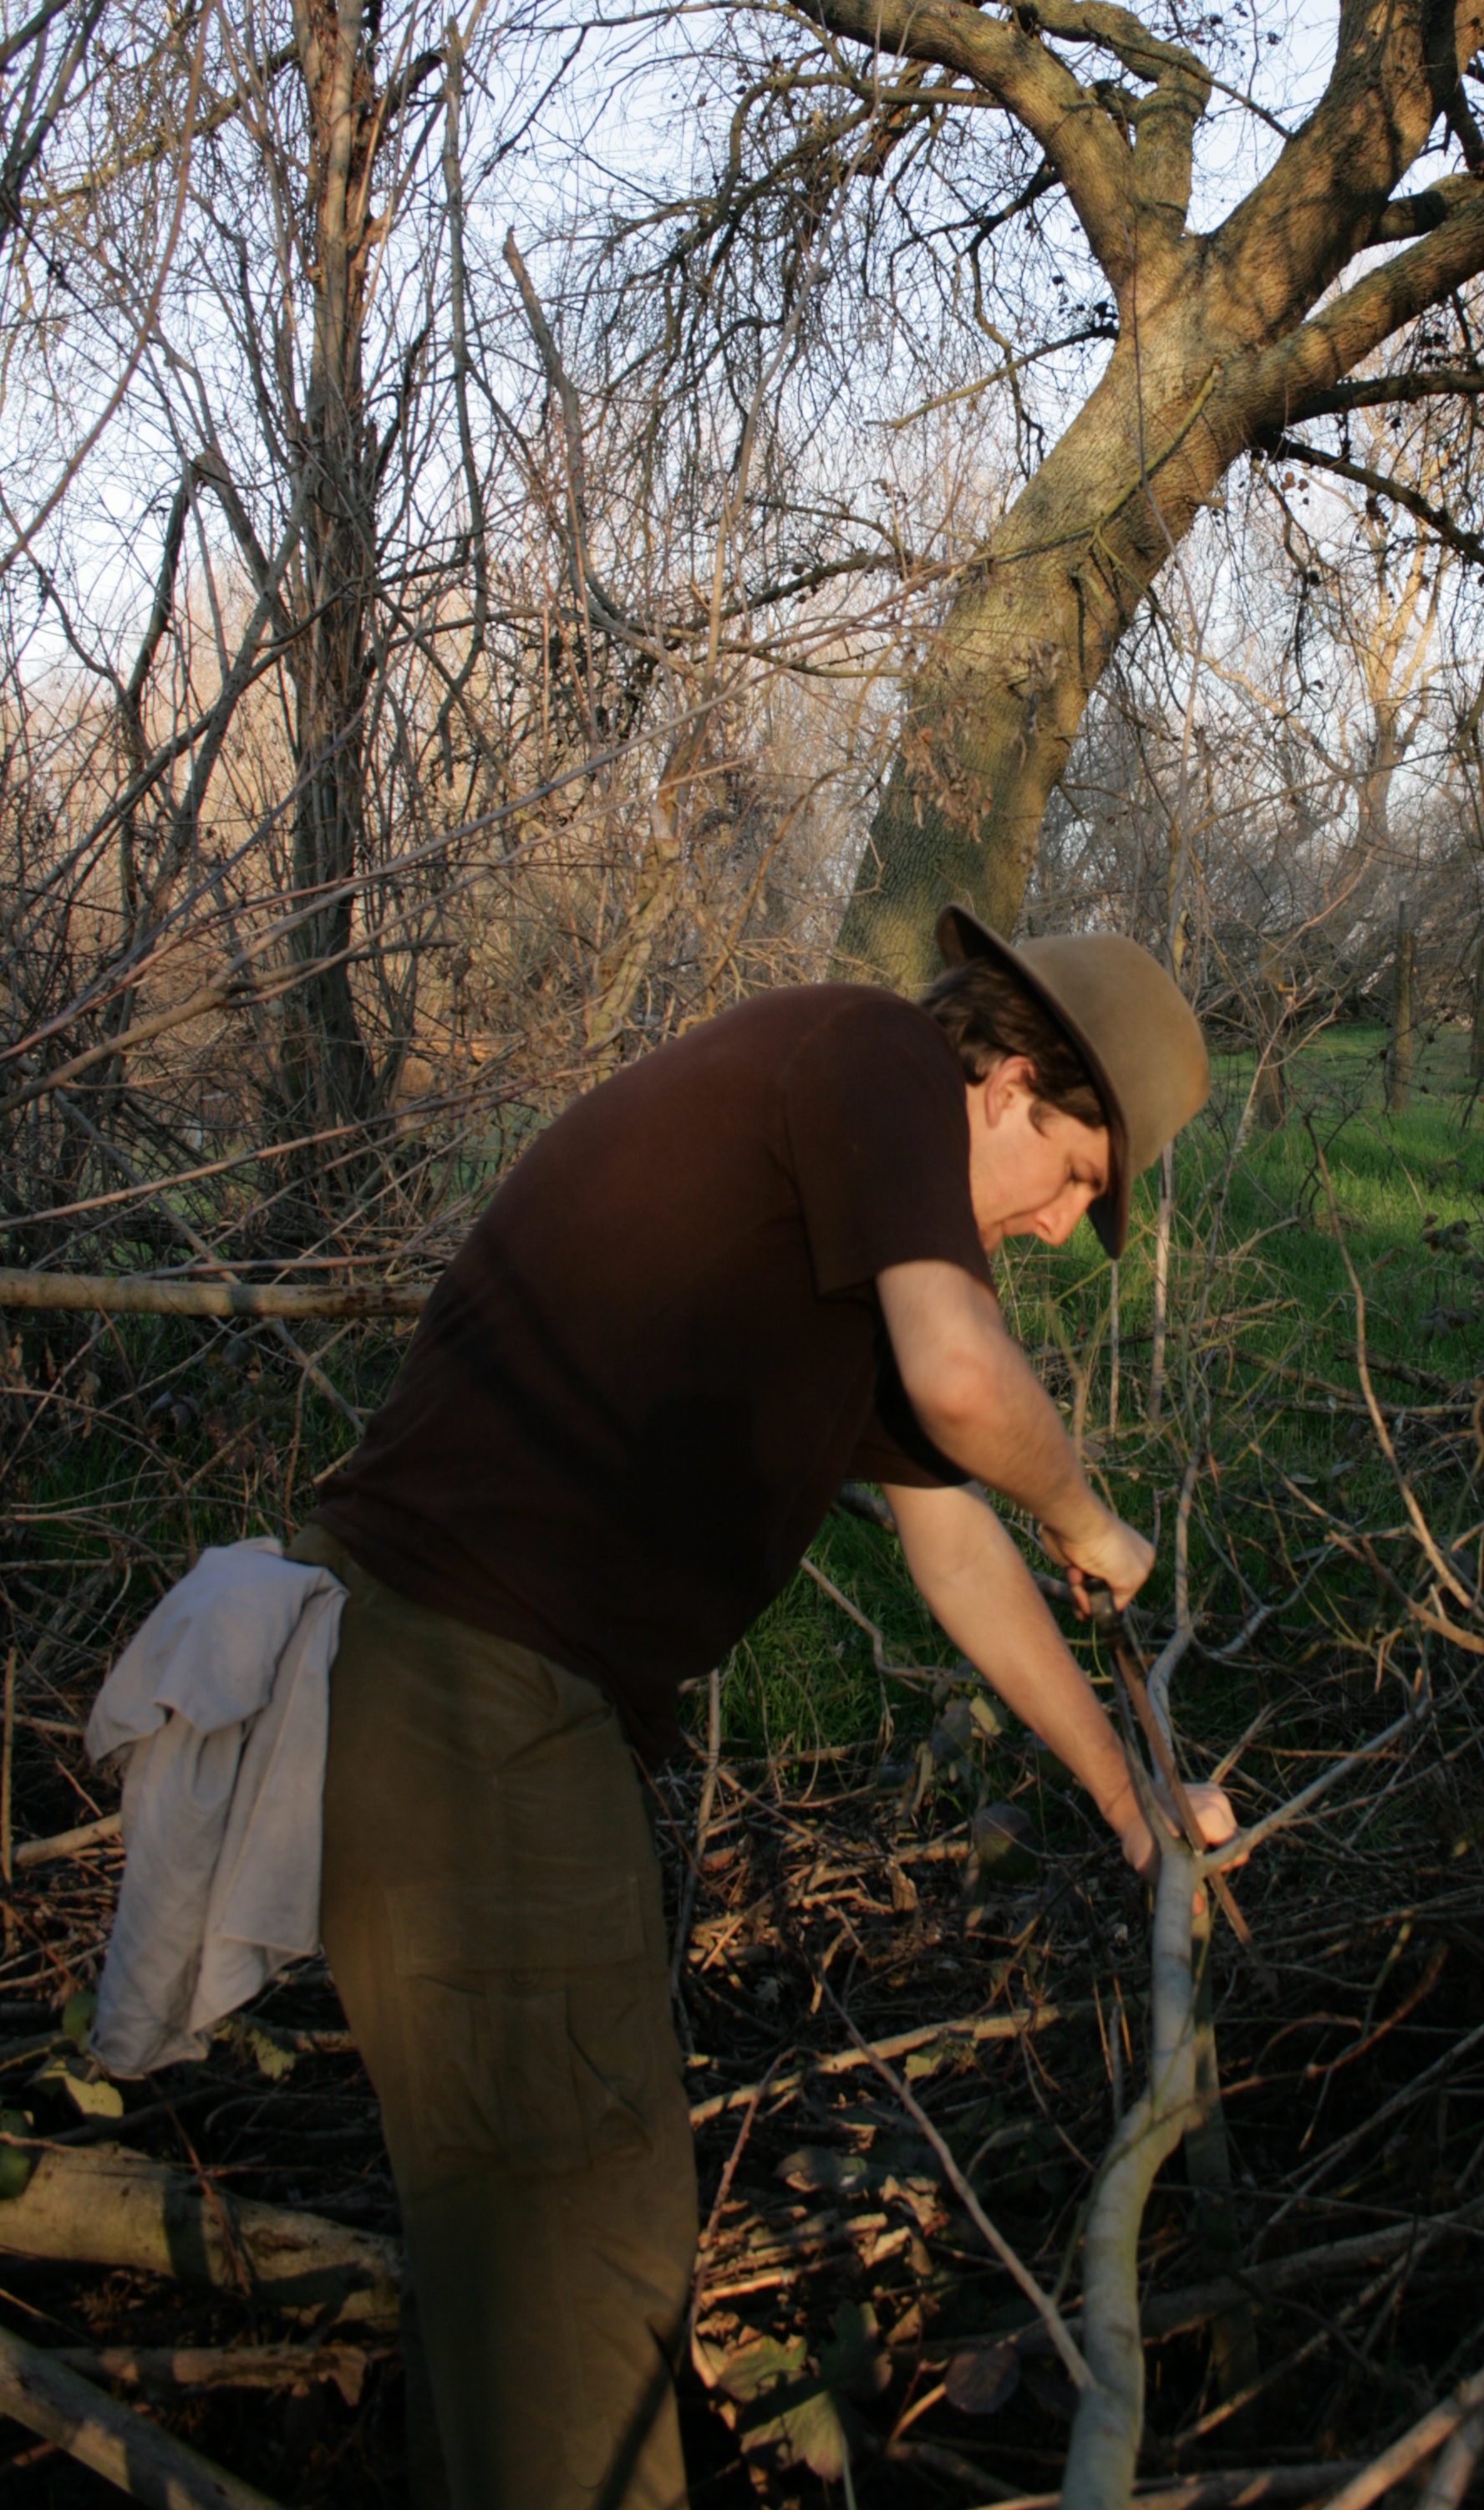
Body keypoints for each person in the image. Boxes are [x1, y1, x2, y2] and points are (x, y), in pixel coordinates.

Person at [289, 903, 1228, 2510]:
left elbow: (956, 1553)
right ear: (1008, 1075)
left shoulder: (857, 1232)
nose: (1070, 1228)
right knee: (581, 2241)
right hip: (470, 1699)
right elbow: (967, 1393)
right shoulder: (867, 1053)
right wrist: (1090, 1512)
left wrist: (1129, 1796)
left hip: (493, 1704)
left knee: (538, 2256)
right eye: (1080, 1174)